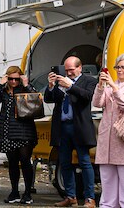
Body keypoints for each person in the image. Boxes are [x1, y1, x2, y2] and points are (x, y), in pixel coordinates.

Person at [45, 56, 96, 208]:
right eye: (66, 70)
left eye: (71, 70)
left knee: (85, 162)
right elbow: (49, 99)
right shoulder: (61, 81)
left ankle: (90, 198)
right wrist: (51, 86)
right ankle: (70, 196)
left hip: (79, 126)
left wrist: (71, 86)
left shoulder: (89, 81)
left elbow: (88, 97)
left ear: (80, 67)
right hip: (62, 127)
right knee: (64, 163)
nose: (68, 73)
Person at [93, 53, 124, 208]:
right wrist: (101, 86)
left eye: (123, 67)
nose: (119, 70)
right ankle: (107, 205)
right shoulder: (109, 86)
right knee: (107, 178)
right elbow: (97, 103)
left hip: (123, 138)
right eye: (117, 67)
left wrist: (114, 88)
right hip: (107, 138)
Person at [0, 66, 37, 205]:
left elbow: (36, 100)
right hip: (8, 130)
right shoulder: (4, 90)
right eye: (11, 79)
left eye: (16, 79)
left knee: (25, 161)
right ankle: (14, 191)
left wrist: (26, 84)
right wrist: (0, 84)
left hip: (24, 130)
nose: (13, 82)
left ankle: (27, 193)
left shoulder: (24, 88)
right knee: (12, 162)